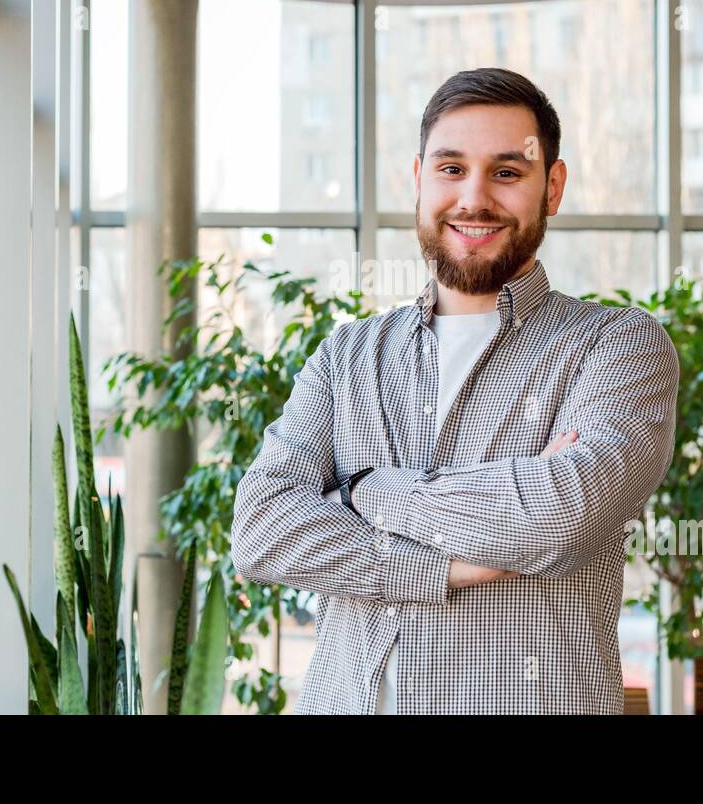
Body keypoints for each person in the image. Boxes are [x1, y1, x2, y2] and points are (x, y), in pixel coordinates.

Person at [231, 67, 679, 714]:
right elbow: (262, 529)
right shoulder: (344, 357)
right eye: (450, 169)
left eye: (506, 172)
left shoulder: (616, 346)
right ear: (418, 180)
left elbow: (556, 517)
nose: (474, 198)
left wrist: (366, 490)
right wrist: (440, 567)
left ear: (551, 187)